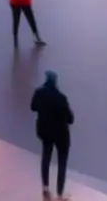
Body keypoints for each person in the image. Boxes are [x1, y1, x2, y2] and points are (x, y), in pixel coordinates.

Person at [31, 70, 74, 200]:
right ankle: (60, 193)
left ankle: (45, 186)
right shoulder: (61, 98)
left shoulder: (39, 93)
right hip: (61, 135)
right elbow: (71, 119)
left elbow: (33, 107)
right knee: (62, 162)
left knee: (46, 157)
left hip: (45, 132)